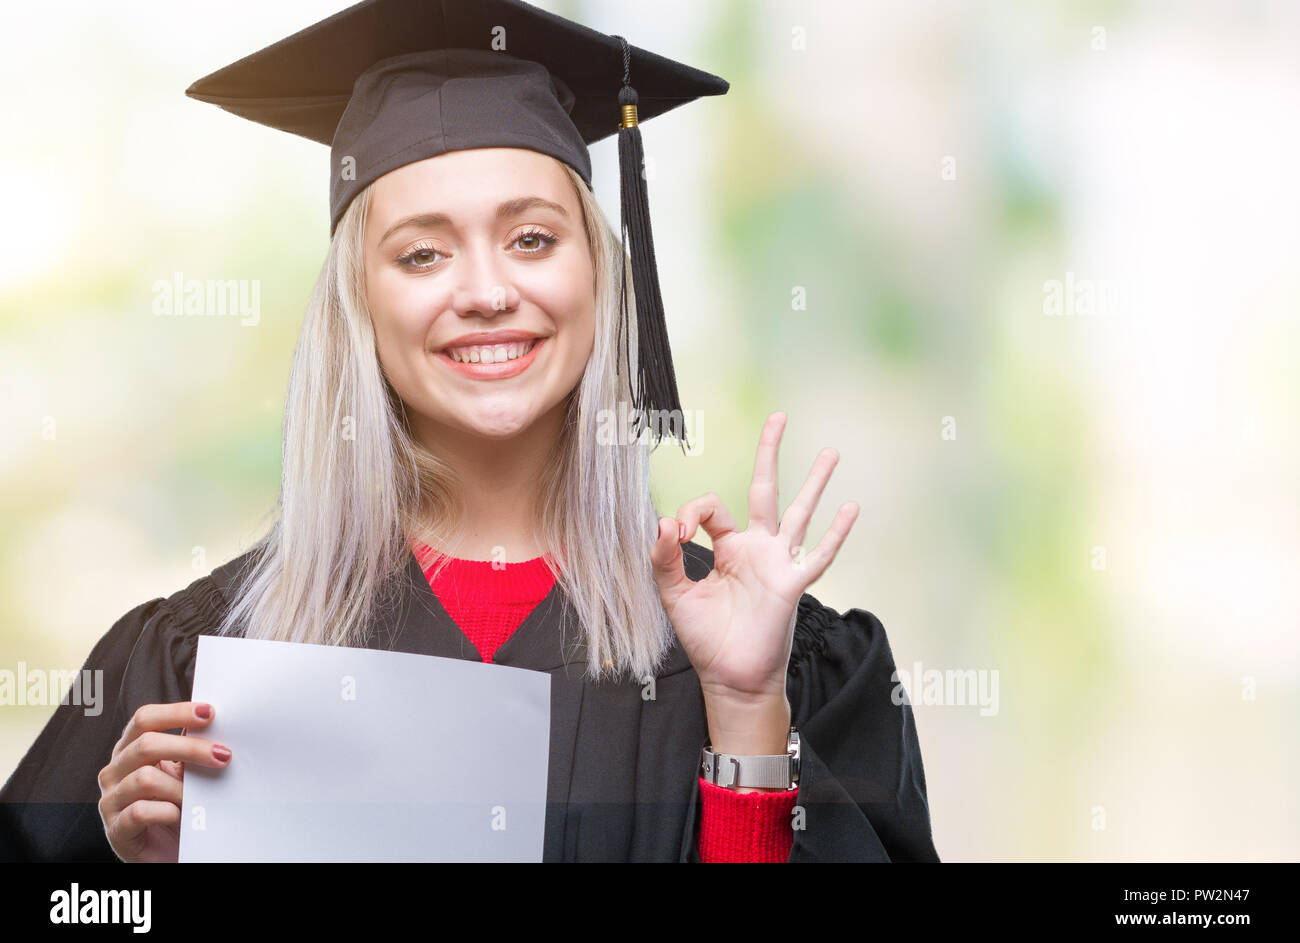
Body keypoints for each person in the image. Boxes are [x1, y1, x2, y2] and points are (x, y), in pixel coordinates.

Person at [0, 0, 940, 863]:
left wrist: (743, 718)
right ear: (358, 304)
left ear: (601, 277)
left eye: (532, 237)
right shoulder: (195, 664)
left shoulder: (775, 660)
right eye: (421, 252)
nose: (487, 291)